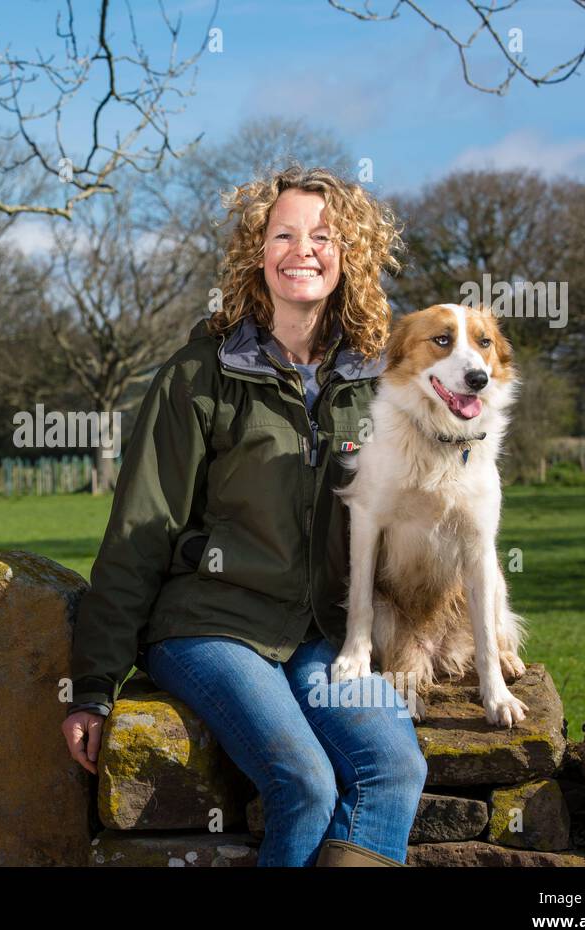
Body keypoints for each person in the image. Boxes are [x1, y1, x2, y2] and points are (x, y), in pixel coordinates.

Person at [60, 163, 428, 867]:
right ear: (256, 254)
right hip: (212, 625)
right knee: (305, 783)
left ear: (350, 255)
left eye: (324, 235)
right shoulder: (200, 375)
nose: (304, 249)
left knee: (394, 769)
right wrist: (95, 687)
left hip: (322, 632)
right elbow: (140, 529)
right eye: (283, 233)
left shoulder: (380, 382)